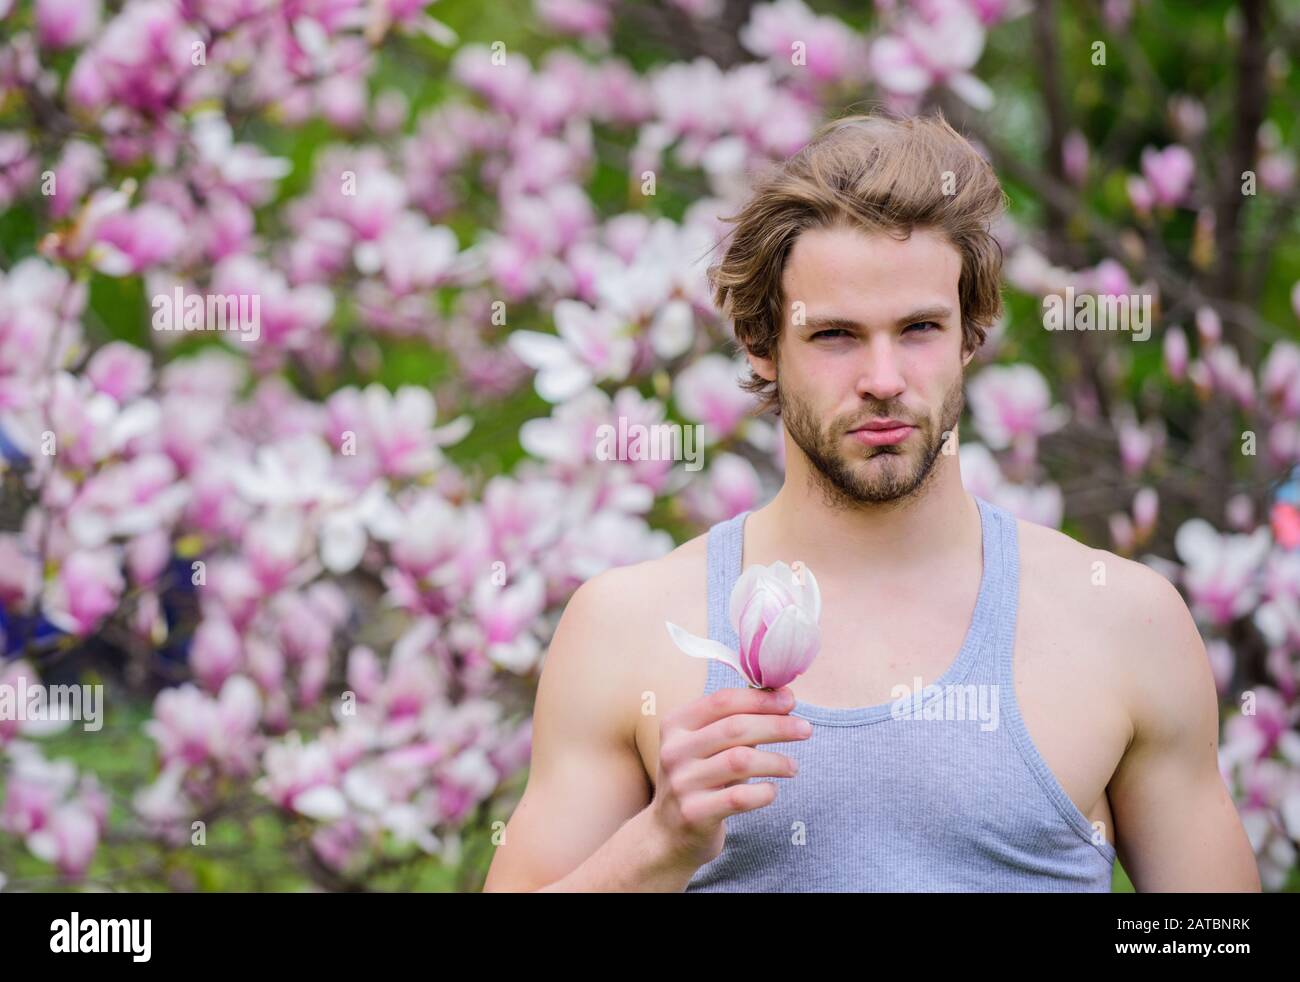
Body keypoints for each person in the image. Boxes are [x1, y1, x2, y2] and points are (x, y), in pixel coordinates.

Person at [482, 112, 1261, 892]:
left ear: (970, 335)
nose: (884, 377)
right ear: (761, 344)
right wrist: (656, 845)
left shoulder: (1126, 621)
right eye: (836, 336)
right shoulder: (628, 628)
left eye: (919, 328)